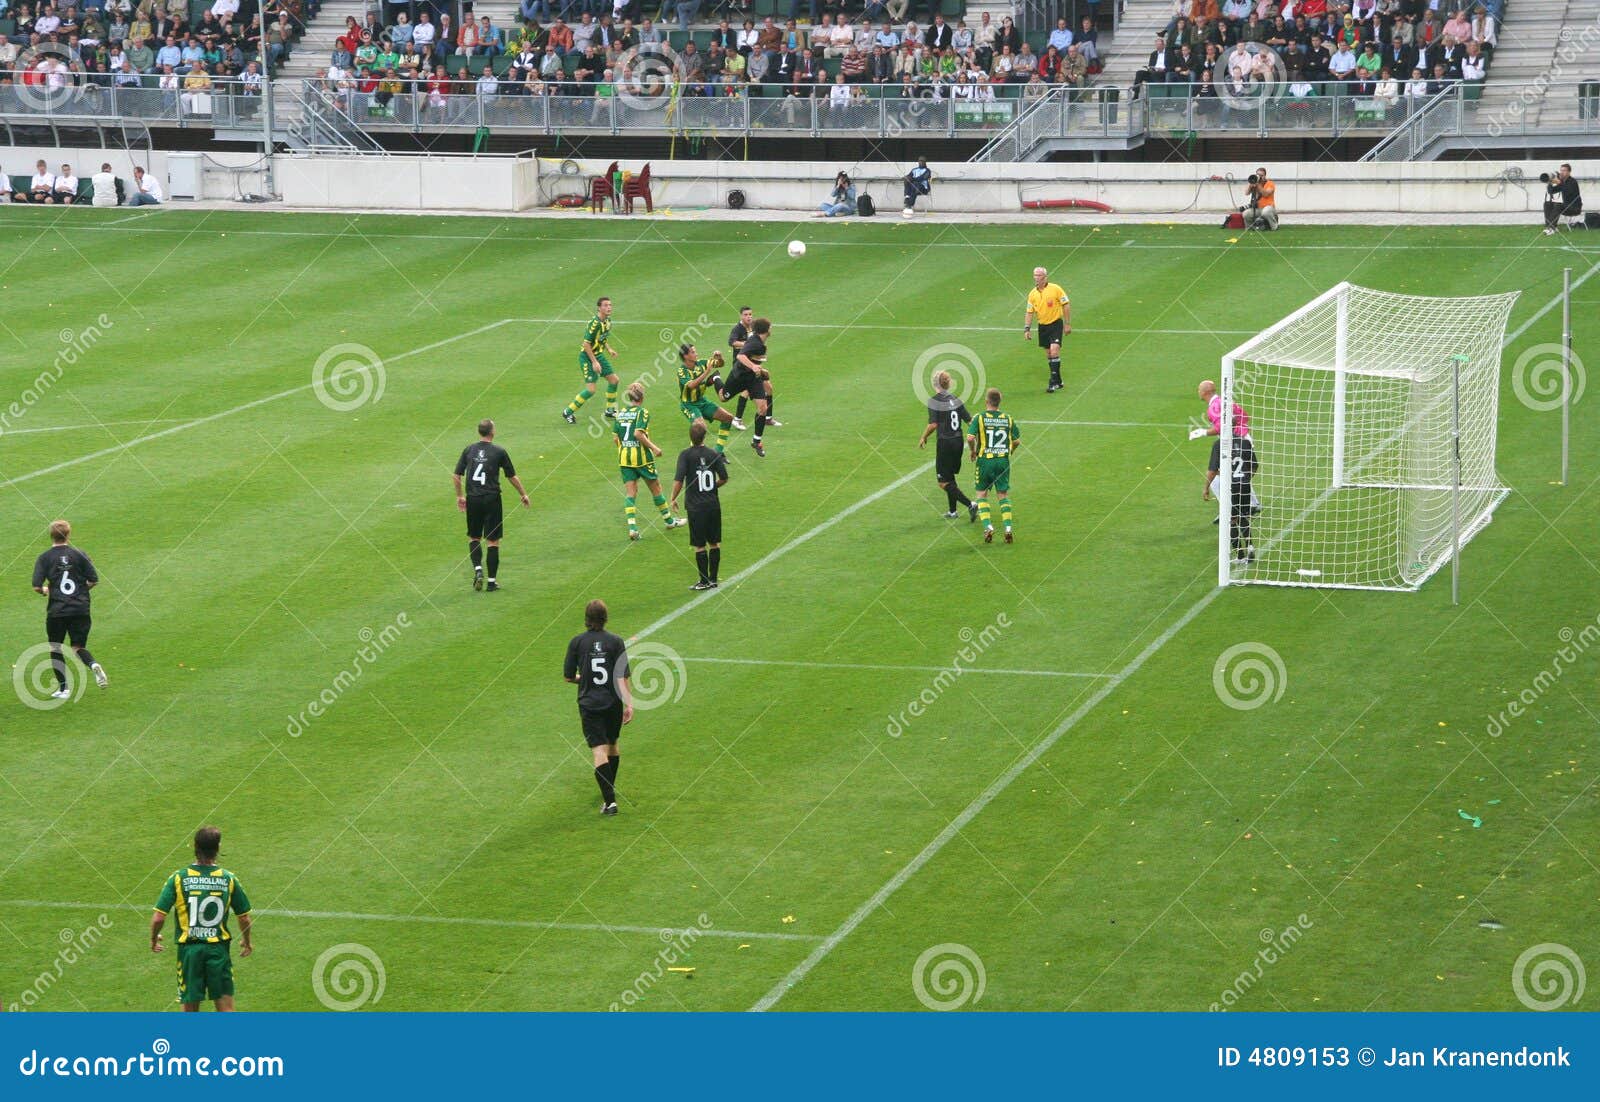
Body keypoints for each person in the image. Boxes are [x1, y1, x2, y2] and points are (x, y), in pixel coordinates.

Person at [150, 826, 253, 1011]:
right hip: (218, 951)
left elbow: (158, 918)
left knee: (190, 1012)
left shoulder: (179, 878)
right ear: (218, 848)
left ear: (195, 846)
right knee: (226, 1010)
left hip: (190, 953)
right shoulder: (228, 879)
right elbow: (244, 918)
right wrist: (246, 942)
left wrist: (153, 938)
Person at [563, 599, 632, 816]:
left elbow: (567, 677)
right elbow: (622, 675)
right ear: (605, 617)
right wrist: (629, 703)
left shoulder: (576, 642)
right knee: (612, 744)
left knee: (598, 751)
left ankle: (610, 802)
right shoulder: (616, 641)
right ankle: (609, 790)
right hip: (613, 701)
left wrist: (583, 680)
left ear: (586, 618)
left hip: (589, 704)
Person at [31, 519, 109, 698]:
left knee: (55, 647)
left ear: (51, 535)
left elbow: (36, 586)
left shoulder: (44, 558)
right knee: (77, 646)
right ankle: (93, 665)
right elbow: (93, 580)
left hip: (57, 611)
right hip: (80, 609)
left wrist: (46, 591)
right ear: (68, 534)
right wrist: (80, 592)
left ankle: (64, 689)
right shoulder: (80, 555)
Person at [452, 418, 531, 592]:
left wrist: (460, 496)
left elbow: (456, 476)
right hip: (492, 499)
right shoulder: (499, 451)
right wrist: (523, 494)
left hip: (473, 499)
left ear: (479, 432)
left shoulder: (469, 450)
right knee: (493, 541)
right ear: (492, 432)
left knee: (474, 537)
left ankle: (478, 570)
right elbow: (511, 476)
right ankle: (492, 582)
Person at [613, 382, 687, 540]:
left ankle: (632, 528)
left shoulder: (620, 413)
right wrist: (654, 448)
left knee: (631, 493)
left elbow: (615, 438)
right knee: (656, 489)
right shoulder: (642, 412)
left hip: (624, 458)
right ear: (642, 397)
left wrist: (625, 448)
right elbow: (638, 434)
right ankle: (669, 521)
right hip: (642, 459)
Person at [671, 418, 730, 591]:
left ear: (691, 437)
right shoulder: (713, 454)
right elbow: (724, 478)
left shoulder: (685, 455)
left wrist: (673, 497)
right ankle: (713, 580)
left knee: (699, 545)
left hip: (695, 507)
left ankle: (704, 581)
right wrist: (712, 487)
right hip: (713, 504)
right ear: (704, 437)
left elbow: (679, 480)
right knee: (714, 543)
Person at [918, 369, 977, 521]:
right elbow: (970, 421)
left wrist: (923, 437)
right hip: (958, 441)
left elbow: (933, 424)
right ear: (948, 383)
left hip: (945, 442)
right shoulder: (956, 399)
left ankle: (970, 504)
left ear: (934, 384)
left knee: (943, 481)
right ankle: (953, 511)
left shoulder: (934, 401)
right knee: (949, 477)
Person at [967, 388, 1020, 544]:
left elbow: (970, 438)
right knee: (1003, 495)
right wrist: (1008, 452)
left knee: (981, 494)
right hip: (1003, 461)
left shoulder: (980, 418)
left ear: (986, 401)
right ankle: (1008, 529)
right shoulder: (1008, 419)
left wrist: (973, 451)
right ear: (999, 402)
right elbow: (1016, 441)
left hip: (985, 461)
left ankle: (988, 526)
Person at [562, 296, 622, 422]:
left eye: (610, 305)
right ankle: (568, 412)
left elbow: (601, 338)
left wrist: (609, 349)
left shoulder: (608, 321)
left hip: (598, 355)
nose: (609, 307)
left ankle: (610, 411)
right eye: (605, 305)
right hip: (587, 357)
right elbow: (586, 344)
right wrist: (594, 362)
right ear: (599, 308)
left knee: (614, 380)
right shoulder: (594, 324)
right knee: (591, 390)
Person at [1205, 422, 1259, 563]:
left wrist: (1206, 488)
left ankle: (1240, 555)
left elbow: (1212, 470)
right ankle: (1250, 547)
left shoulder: (1219, 445)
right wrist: (1247, 478)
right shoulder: (1245, 442)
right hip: (1245, 485)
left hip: (1230, 487)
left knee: (1230, 520)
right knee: (1243, 517)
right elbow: (1254, 465)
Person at [724, 317, 776, 457]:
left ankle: (756, 441)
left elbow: (755, 360)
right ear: (765, 330)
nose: (772, 329)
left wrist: (761, 370)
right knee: (723, 397)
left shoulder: (760, 343)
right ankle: (714, 377)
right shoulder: (755, 343)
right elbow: (741, 356)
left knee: (762, 408)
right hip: (739, 376)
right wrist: (753, 366)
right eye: (770, 327)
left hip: (753, 379)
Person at [677, 343, 734, 454]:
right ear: (685, 356)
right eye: (693, 352)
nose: (696, 354)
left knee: (728, 418)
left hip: (702, 402)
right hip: (689, 405)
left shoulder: (702, 363)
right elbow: (691, 385)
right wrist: (707, 372)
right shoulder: (682, 371)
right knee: (700, 427)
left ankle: (718, 452)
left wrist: (719, 357)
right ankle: (694, 455)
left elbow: (720, 364)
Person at [1023, 266, 1069, 393]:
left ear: (1045, 277)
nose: (1036, 277)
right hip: (1042, 326)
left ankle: (1052, 382)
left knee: (1054, 351)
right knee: (1049, 354)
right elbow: (1029, 312)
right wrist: (1026, 328)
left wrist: (1067, 323)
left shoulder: (1055, 289)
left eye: (1038, 275)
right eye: (1035, 275)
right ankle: (1059, 381)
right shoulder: (1032, 294)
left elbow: (1066, 304)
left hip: (1055, 324)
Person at [1543, 164, 1582, 236]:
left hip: (1574, 208)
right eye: (1561, 170)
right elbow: (1551, 191)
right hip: (1565, 207)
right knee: (1547, 203)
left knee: (1558, 205)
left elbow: (1569, 192)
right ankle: (1549, 227)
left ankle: (1552, 228)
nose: (1561, 172)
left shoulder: (1573, 181)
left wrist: (1559, 183)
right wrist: (1550, 182)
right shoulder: (1562, 181)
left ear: (1569, 172)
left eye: (1564, 170)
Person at [1242, 165, 1277, 230]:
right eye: (1258, 175)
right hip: (1258, 208)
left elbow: (1265, 194)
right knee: (1246, 213)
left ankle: (1274, 227)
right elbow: (1246, 193)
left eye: (1261, 175)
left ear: (1265, 176)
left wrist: (1258, 185)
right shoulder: (1254, 183)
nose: (1259, 177)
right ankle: (1251, 228)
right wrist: (1250, 184)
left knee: (1265, 212)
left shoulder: (1270, 183)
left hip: (1269, 208)